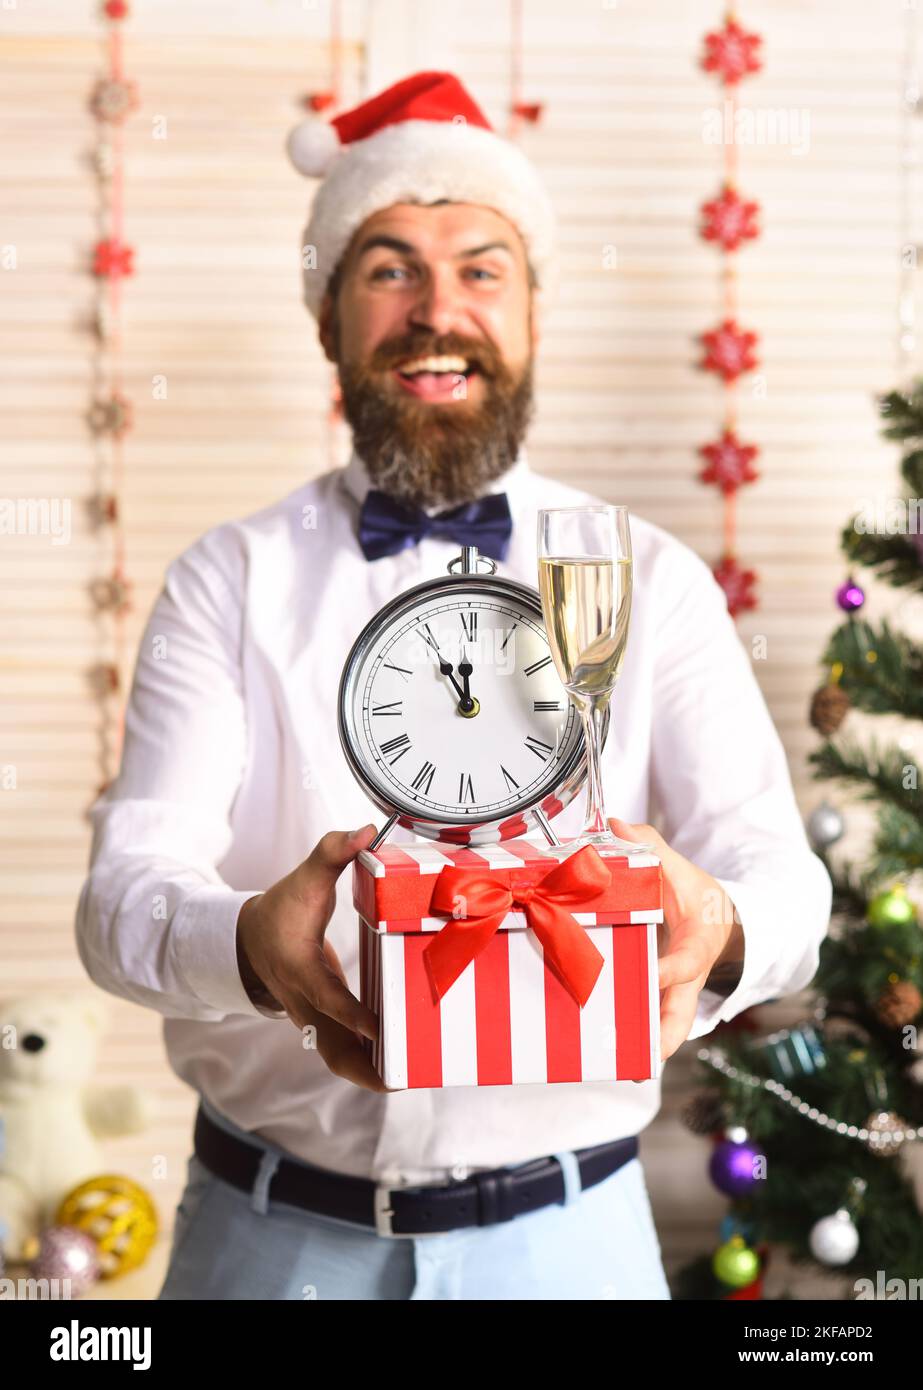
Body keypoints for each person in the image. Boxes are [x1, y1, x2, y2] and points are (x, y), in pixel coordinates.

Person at [74, 71, 832, 1301]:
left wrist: (721, 927)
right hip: (269, 1243)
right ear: (326, 315)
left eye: (482, 269)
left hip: (573, 1246)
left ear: (532, 313)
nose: (439, 309)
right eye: (387, 268)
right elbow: (119, 903)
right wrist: (254, 949)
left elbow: (783, 883)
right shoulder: (227, 579)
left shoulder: (647, 577)